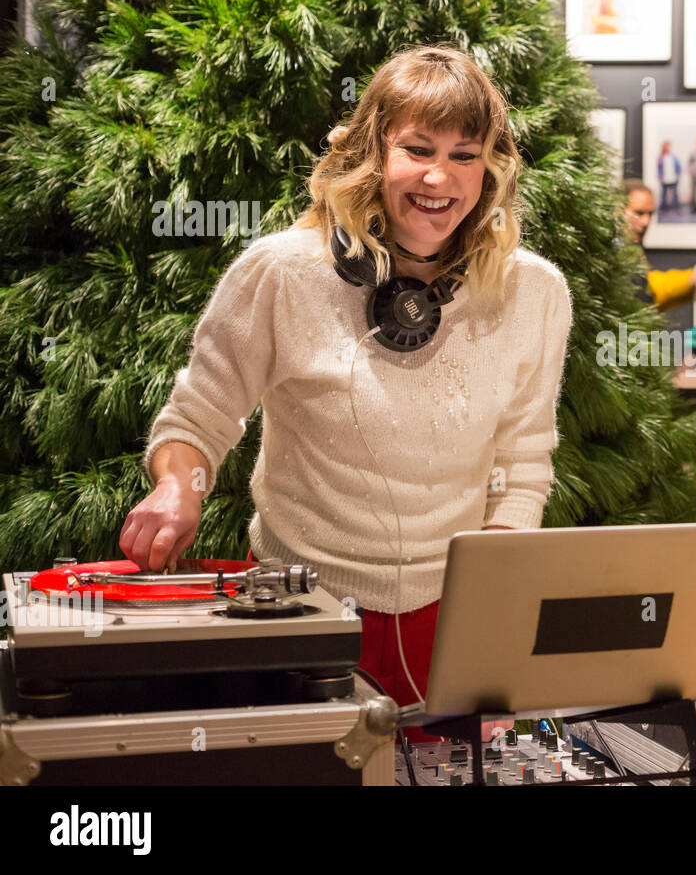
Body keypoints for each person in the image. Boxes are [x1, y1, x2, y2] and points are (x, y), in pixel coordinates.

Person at [120, 45, 573, 732]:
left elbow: (524, 464)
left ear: (492, 170)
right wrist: (179, 485)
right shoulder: (279, 273)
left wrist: (493, 623)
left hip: (454, 621)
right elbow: (200, 418)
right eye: (417, 148)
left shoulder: (535, 292)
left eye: (464, 155)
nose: (438, 176)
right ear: (370, 154)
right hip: (298, 614)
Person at [621, 178, 695, 311]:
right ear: (618, 210)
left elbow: (649, 292)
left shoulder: (634, 250)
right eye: (639, 213)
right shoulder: (606, 253)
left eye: (650, 214)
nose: (646, 222)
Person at [656, 140, 681, 213]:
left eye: (669, 146)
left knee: (675, 195)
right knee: (664, 195)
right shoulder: (661, 157)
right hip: (664, 179)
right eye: (667, 146)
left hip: (673, 178)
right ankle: (663, 209)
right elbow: (659, 168)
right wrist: (660, 176)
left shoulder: (673, 156)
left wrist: (678, 173)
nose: (668, 148)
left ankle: (676, 208)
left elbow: (678, 166)